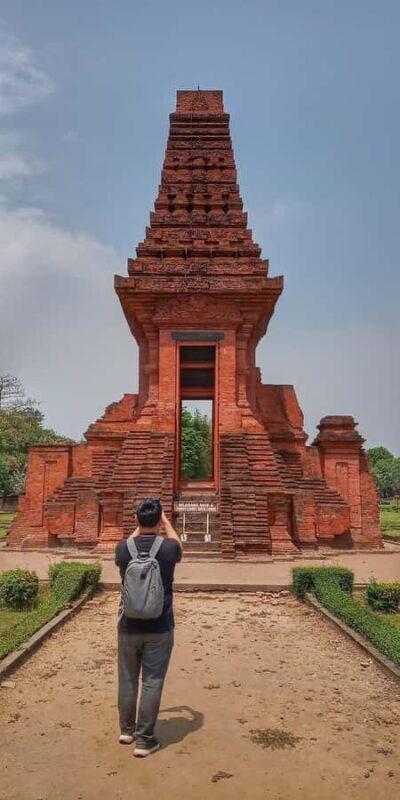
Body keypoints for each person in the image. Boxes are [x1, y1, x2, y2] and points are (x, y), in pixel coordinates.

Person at [115, 498, 182, 757]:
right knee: (152, 681)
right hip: (160, 625)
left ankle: (126, 730)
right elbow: (178, 544)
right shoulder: (167, 549)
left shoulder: (123, 549)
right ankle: (144, 740)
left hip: (127, 625)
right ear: (159, 520)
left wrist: (139, 525)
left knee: (128, 679)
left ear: (136, 519)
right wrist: (165, 522)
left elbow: (129, 543)